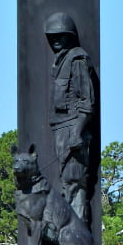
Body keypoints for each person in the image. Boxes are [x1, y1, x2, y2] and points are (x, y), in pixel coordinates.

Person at [44, 12, 95, 224]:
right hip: (60, 128)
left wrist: (77, 132)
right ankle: (70, 231)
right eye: (52, 36)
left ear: (70, 36)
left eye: (61, 35)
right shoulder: (60, 62)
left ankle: (78, 233)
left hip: (72, 127)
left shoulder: (77, 60)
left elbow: (87, 101)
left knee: (75, 181)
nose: (56, 40)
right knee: (67, 183)